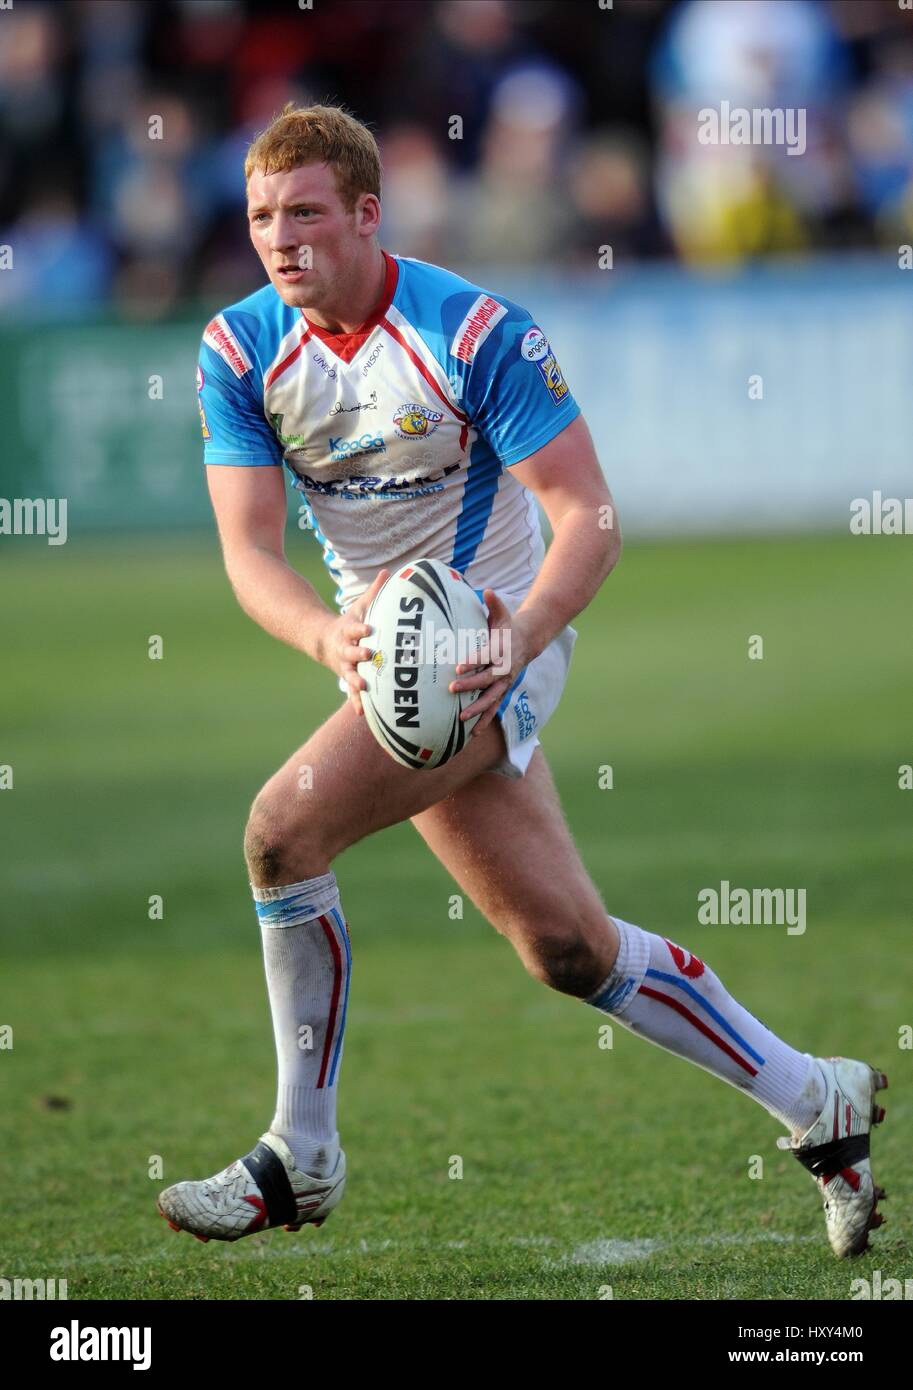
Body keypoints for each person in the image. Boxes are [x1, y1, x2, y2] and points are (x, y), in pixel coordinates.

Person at [157, 103, 887, 1258]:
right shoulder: (240, 350)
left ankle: (302, 1152)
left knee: (280, 835)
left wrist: (525, 627)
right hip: (391, 657)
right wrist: (321, 637)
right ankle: (815, 1097)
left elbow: (586, 513)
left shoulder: (473, 329)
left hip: (499, 635)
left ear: (365, 212)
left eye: (303, 213)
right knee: (565, 949)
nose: (279, 239)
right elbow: (249, 551)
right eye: (258, 218)